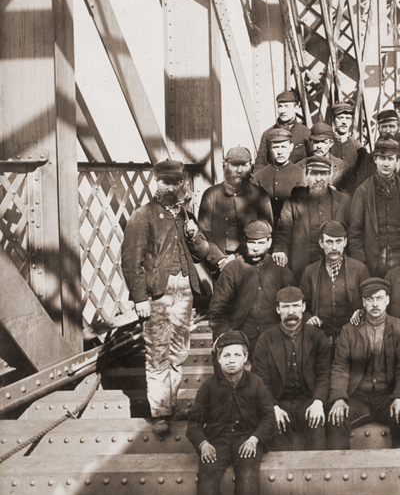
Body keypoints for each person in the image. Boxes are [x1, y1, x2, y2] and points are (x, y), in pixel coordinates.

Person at [122, 159, 211, 434]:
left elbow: (202, 254)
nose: (170, 187)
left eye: (176, 182)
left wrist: (195, 237)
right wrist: (140, 298)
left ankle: (170, 406)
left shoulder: (185, 213)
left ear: (182, 183)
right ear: (156, 182)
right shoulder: (143, 215)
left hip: (184, 291)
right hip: (157, 296)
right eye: (165, 182)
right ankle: (160, 413)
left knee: (179, 352)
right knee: (158, 352)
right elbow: (130, 260)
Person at [187, 330, 275, 495]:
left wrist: (254, 439)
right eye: (226, 355)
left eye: (237, 354)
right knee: (207, 479)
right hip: (217, 442)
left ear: (245, 357)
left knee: (248, 477)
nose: (232, 360)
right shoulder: (208, 387)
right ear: (218, 359)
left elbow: (268, 418)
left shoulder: (256, 383)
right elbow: (194, 424)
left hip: (247, 440)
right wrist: (203, 444)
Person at [327, 278, 400, 449]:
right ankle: (343, 472)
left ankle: (398, 472)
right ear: (363, 302)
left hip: (386, 397)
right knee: (336, 420)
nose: (375, 304)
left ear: (387, 300)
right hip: (358, 398)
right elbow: (340, 367)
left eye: (379, 298)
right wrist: (339, 398)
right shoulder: (349, 330)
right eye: (369, 299)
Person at [250, 286, 332, 451]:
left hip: (308, 401)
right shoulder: (265, 339)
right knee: (276, 439)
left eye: (295, 306)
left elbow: (325, 374)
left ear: (303, 307)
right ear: (277, 309)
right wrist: (272, 407)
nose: (291, 311)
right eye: (285, 307)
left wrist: (318, 402)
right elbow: (260, 379)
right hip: (279, 404)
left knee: (318, 434)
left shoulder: (317, 336)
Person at [208, 220, 296, 349]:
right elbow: (217, 307)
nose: (256, 248)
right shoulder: (232, 268)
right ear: (245, 241)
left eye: (261, 243)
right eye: (252, 242)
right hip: (240, 335)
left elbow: (294, 299)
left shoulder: (278, 267)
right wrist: (225, 334)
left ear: (269, 243)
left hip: (275, 336)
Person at [272, 156, 351, 281]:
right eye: (314, 173)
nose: (318, 179)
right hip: (302, 269)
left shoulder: (344, 201)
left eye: (323, 174)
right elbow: (283, 232)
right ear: (306, 176)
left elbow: (352, 234)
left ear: (330, 176)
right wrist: (280, 250)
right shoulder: (292, 202)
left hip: (336, 267)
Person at [348, 138, 400, 277]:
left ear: (397, 161)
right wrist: (362, 265)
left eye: (390, 159)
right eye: (382, 158)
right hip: (372, 264)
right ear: (375, 159)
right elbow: (354, 233)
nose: (386, 163)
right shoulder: (362, 191)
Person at [197, 146, 273, 273]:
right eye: (234, 165)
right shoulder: (211, 194)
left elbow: (268, 232)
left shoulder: (261, 195)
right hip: (219, 266)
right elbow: (203, 232)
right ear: (225, 166)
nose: (239, 170)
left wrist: (237, 258)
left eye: (244, 165)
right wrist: (220, 260)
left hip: (251, 264)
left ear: (251, 167)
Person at [298, 220, 371, 346]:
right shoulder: (310, 271)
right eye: (329, 242)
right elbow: (301, 305)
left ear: (345, 242)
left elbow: (370, 300)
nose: (334, 248)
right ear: (321, 243)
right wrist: (308, 317)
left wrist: (361, 311)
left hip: (352, 337)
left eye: (338, 242)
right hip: (320, 337)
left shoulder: (359, 269)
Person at [253, 127, 305, 223]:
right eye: (276, 147)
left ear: (291, 147)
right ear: (270, 149)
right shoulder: (258, 177)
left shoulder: (301, 175)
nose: (280, 152)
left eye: (283, 147)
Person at [255, 90, 310, 169]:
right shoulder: (267, 134)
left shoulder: (306, 133)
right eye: (280, 106)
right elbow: (259, 165)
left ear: (296, 108)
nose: (282, 111)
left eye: (287, 106)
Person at [328, 102, 369, 193]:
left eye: (347, 118)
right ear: (333, 120)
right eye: (340, 118)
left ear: (351, 121)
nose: (344, 122)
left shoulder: (359, 150)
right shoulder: (326, 146)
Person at [301, 122, 348, 190]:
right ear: (311, 141)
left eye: (324, 142)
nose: (319, 146)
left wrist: (336, 193)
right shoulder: (299, 167)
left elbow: (351, 195)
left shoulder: (343, 168)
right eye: (316, 141)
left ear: (331, 143)